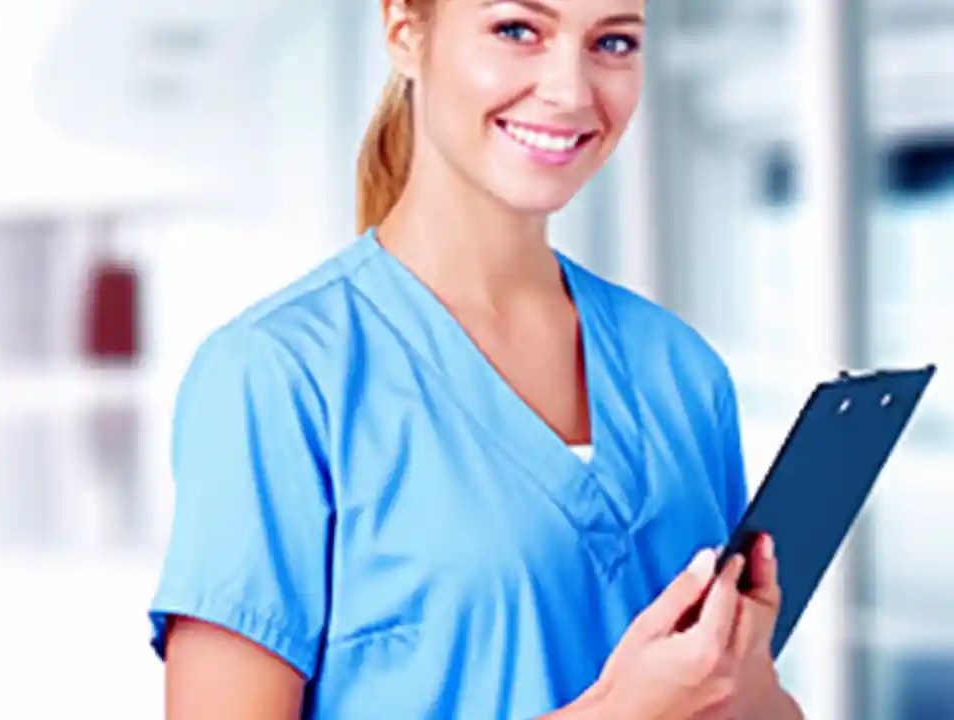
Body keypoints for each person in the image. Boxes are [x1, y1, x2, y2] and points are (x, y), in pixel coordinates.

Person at [148, 0, 805, 717]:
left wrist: (748, 688)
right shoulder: (279, 377)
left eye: (613, 42)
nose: (571, 90)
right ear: (404, 31)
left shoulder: (680, 369)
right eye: (518, 30)